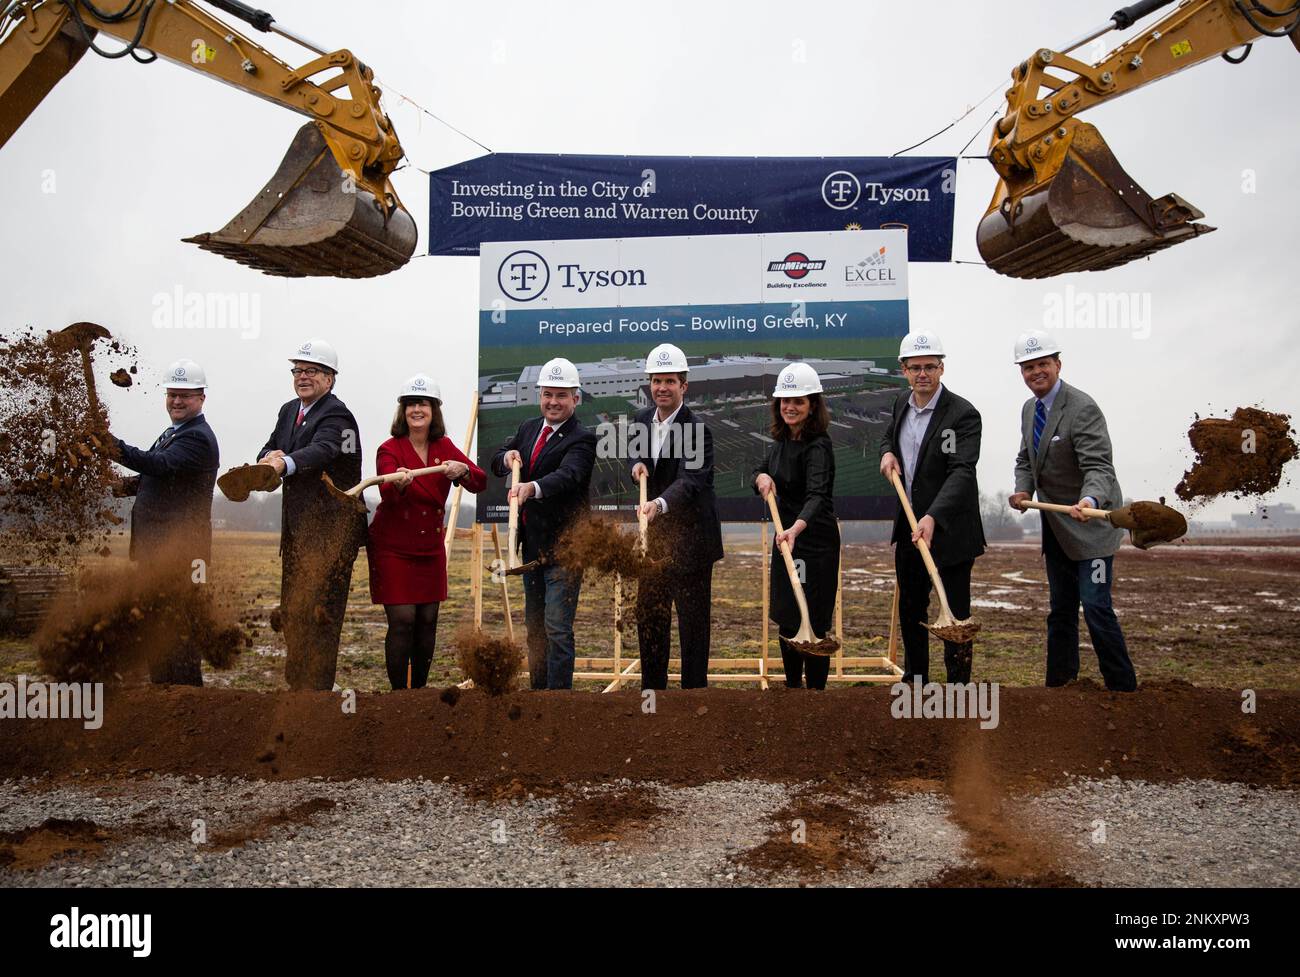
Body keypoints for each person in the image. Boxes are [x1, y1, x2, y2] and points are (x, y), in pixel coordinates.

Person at [1008, 330, 1137, 692]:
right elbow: (1025, 459)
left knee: (1096, 607)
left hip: (1093, 531)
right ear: (1022, 372)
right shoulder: (1029, 409)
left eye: (1042, 365)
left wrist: (1091, 500)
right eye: (1028, 367)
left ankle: (1123, 689)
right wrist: (1023, 489)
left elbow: (1099, 466)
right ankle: (1060, 690)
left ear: (1057, 365)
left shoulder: (1082, 407)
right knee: (1060, 610)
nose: (1036, 372)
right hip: (1057, 529)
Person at [257, 338, 366, 691]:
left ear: (330, 378)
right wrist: (265, 459)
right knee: (293, 610)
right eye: (298, 370)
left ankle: (316, 695)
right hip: (297, 532)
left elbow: (324, 449)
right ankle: (298, 687)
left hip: (331, 534)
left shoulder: (338, 415)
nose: (303, 376)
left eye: (312, 371)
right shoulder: (289, 410)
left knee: (321, 614)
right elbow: (273, 443)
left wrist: (284, 463)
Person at [878, 332, 985, 685]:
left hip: (950, 532)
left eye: (930, 367)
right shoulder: (900, 405)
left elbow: (961, 472)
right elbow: (888, 436)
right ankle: (916, 681)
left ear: (941, 368)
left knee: (954, 616)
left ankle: (957, 688)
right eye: (915, 368)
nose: (922, 374)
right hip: (910, 529)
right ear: (903, 370)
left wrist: (933, 515)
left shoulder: (962, 415)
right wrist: (887, 452)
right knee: (911, 609)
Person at [368, 374, 485, 690]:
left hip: (429, 547)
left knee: (427, 621)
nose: (416, 410)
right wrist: (399, 483)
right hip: (393, 547)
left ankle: (418, 694)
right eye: (410, 404)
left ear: (434, 410)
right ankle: (398, 696)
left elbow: (480, 480)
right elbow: (387, 494)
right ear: (402, 411)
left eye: (423, 404)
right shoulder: (389, 449)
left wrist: (462, 471)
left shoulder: (444, 446)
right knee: (403, 621)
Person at [490, 357, 596, 690]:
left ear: (575, 399)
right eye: (548, 394)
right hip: (532, 548)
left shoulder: (582, 438)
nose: (553, 401)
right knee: (535, 627)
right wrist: (507, 458)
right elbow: (497, 458)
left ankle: (558, 700)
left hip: (565, 549)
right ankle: (539, 694)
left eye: (561, 395)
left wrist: (531, 488)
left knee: (557, 627)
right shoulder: (528, 428)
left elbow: (569, 476)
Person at [112, 358, 219, 686]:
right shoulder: (175, 432)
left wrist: (111, 446)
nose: (176, 401)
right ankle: (163, 698)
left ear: (201, 398)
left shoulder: (197, 437)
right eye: (172, 394)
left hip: (182, 553)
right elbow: (158, 473)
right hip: (156, 548)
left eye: (184, 395)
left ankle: (186, 703)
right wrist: (120, 486)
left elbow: (159, 465)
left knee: (178, 626)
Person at [628, 343, 724, 690]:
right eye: (656, 380)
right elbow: (636, 459)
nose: (662, 388)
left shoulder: (699, 431)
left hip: (692, 543)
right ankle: (652, 693)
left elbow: (690, 481)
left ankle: (692, 695)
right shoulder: (640, 420)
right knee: (651, 619)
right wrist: (635, 465)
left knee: (692, 624)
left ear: (684, 385)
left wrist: (658, 504)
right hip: (652, 543)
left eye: (670, 380)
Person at [753, 363, 839, 690]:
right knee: (789, 617)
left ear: (812, 405)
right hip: (785, 539)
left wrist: (795, 529)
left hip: (813, 544)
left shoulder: (819, 446)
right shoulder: (781, 442)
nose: (790, 407)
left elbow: (817, 496)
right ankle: (792, 691)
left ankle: (815, 695)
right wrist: (760, 478)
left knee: (813, 621)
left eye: (798, 401)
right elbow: (760, 472)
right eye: (785, 401)